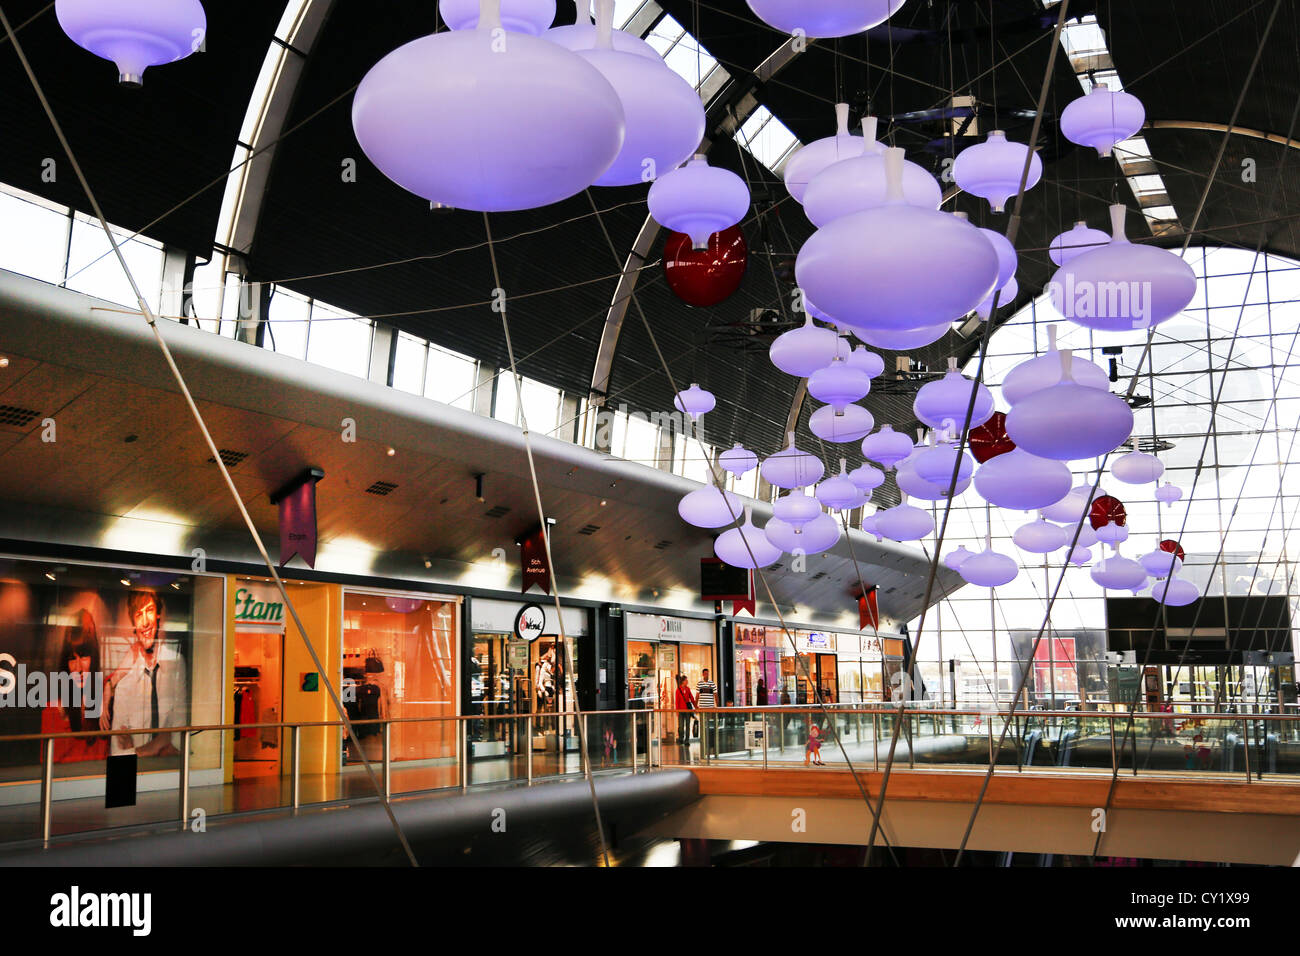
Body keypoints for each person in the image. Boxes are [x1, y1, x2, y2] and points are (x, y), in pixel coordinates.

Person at [109, 590, 187, 758]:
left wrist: (134, 750)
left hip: (170, 771)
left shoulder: (176, 663)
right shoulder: (125, 676)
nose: (145, 622)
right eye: (138, 614)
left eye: (150, 611)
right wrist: (154, 746)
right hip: (135, 771)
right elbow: (117, 752)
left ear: (158, 615)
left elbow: (180, 740)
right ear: (133, 624)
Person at [40, 609, 109, 763]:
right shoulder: (53, 711)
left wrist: (109, 688)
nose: (78, 668)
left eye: (84, 656)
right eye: (72, 658)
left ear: (93, 657)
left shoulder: (105, 694)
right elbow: (46, 767)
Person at [675, 674, 695, 762]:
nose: (687, 682)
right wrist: (677, 711)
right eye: (686, 680)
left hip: (687, 710)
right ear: (683, 681)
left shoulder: (688, 689)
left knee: (687, 725)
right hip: (681, 710)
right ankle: (681, 738)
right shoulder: (678, 690)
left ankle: (687, 740)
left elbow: (692, 698)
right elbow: (677, 701)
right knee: (681, 725)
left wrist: (695, 706)